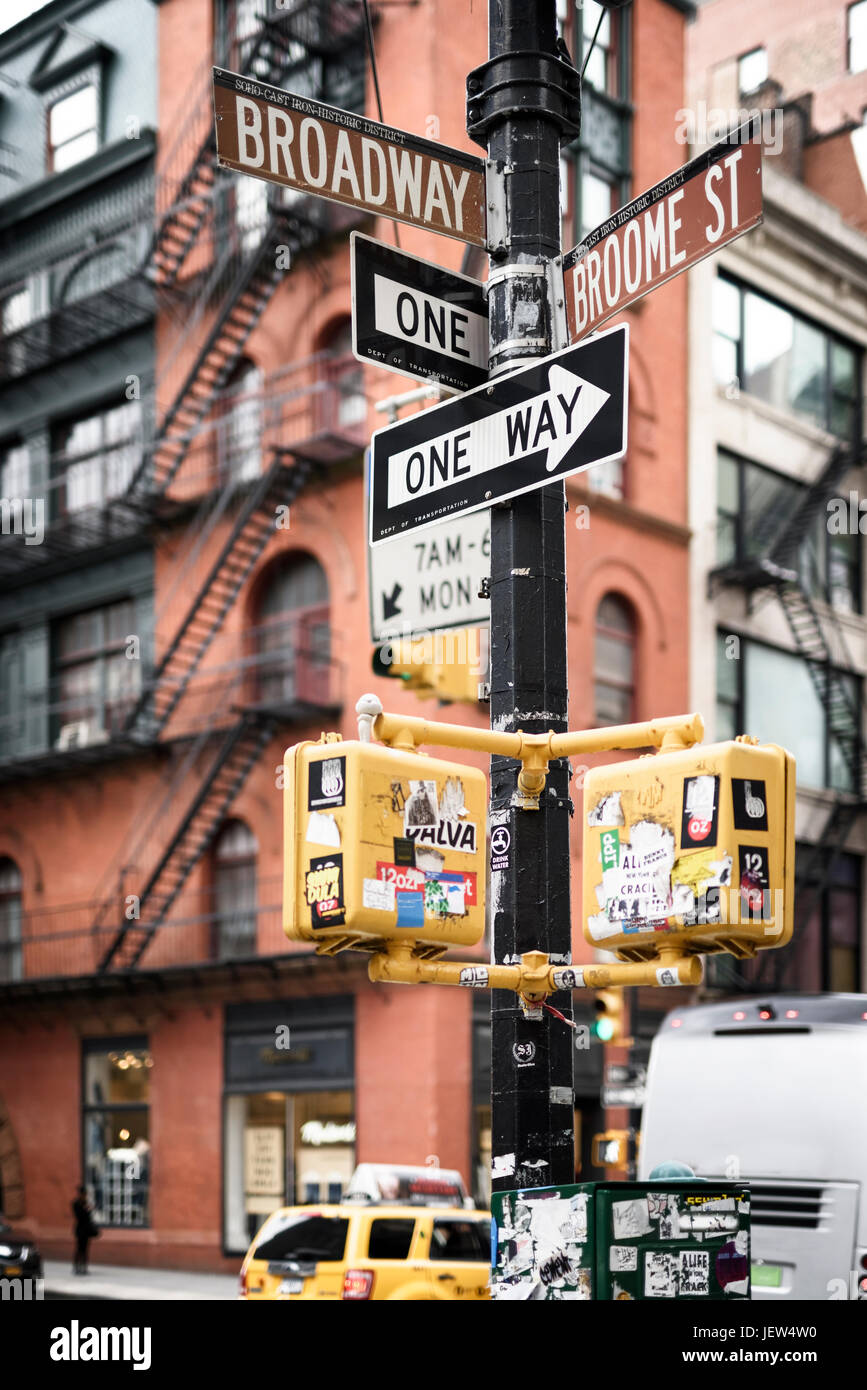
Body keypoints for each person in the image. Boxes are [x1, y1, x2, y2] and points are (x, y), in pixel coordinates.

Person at [71, 1185, 94, 1274]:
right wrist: (86, 1210)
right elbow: (79, 1216)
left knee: (85, 1250)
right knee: (79, 1249)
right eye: (83, 1194)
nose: (85, 1196)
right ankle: (76, 1267)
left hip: (87, 1230)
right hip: (80, 1230)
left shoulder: (86, 1203)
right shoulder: (76, 1203)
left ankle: (84, 1267)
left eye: (85, 1194)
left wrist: (88, 1210)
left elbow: (89, 1216)